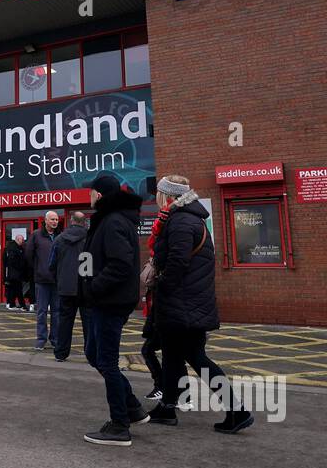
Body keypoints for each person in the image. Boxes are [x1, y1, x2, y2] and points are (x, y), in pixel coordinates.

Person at [146, 174, 252, 433]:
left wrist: (161, 285)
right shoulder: (190, 220)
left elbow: (177, 263)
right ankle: (168, 408)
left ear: (169, 197)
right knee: (175, 358)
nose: (157, 200)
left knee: (196, 359)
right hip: (188, 303)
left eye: (159, 195)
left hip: (182, 305)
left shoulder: (181, 222)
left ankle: (237, 411)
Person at [78, 174, 149, 446]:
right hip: (103, 301)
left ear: (100, 194)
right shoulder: (108, 220)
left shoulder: (114, 221)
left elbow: (120, 264)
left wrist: (95, 287)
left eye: (92, 191)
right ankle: (132, 407)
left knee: (106, 361)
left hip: (110, 301)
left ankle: (119, 425)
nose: (89, 195)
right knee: (93, 353)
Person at [139, 199, 174, 403]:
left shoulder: (171, 235)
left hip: (166, 308)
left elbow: (153, 244)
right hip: (161, 308)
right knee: (179, 355)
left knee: (155, 350)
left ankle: (164, 388)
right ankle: (175, 393)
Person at [50, 212, 89, 362]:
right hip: (85, 286)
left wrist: (59, 278)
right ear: (84, 222)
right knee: (88, 322)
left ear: (71, 221)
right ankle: (90, 353)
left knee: (65, 321)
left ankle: (61, 353)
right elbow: (93, 263)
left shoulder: (59, 239)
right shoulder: (90, 238)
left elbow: (51, 264)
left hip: (65, 286)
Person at [24, 211, 61, 349]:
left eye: (56, 219)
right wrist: (38, 269)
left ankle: (55, 340)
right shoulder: (36, 235)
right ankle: (41, 340)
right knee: (42, 312)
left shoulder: (60, 235)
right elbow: (29, 255)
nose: (55, 222)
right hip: (42, 280)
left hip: (57, 281)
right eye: (52, 219)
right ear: (45, 220)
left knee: (57, 312)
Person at [1, 234, 28, 311]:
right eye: (22, 240)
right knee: (18, 290)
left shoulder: (10, 248)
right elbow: (13, 261)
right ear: (18, 239)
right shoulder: (14, 249)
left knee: (13, 289)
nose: (23, 242)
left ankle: (11, 304)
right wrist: (21, 266)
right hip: (14, 274)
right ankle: (22, 305)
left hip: (12, 273)